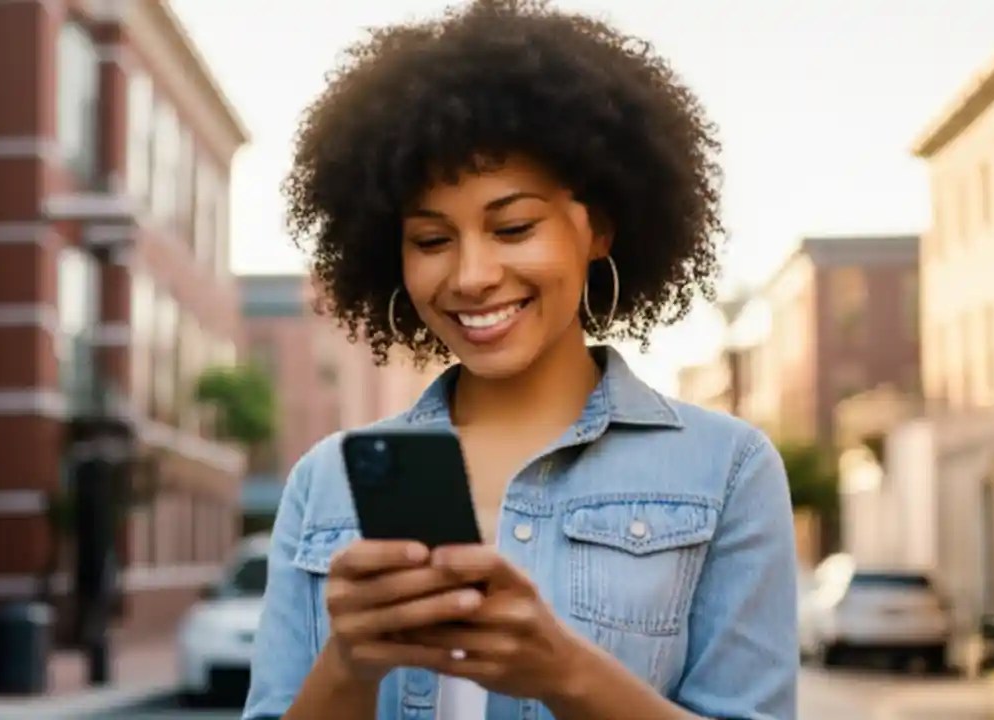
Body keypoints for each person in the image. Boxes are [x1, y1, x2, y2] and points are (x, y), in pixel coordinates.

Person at [242, 1, 799, 718]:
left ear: (596, 226)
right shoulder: (327, 483)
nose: (472, 275)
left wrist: (563, 672)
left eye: (512, 226)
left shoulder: (726, 470)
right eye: (433, 240)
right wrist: (351, 662)